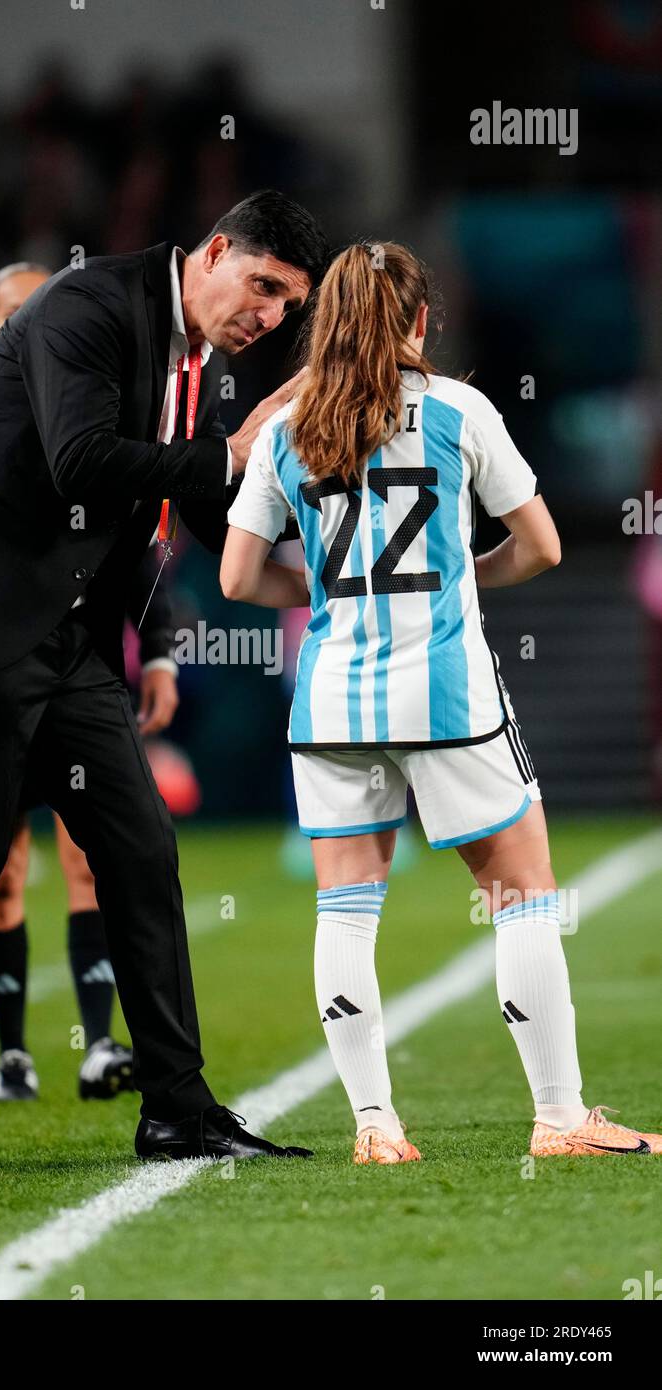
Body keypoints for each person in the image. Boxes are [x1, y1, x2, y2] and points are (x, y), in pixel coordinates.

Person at [0, 190, 330, 1177]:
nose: (268, 317)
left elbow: (183, 501)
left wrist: (317, 549)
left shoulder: (188, 355)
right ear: (216, 251)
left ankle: (177, 1109)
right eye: (264, 288)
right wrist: (226, 453)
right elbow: (79, 462)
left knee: (140, 848)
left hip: (59, 637)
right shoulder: (87, 307)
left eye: (286, 307)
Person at [220, 239, 662, 1165]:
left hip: (334, 702)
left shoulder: (286, 424)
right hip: (448, 694)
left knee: (344, 909)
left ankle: (376, 1128)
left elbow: (235, 578)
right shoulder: (459, 409)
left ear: (324, 321)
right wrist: (458, 577)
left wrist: (339, 598)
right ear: (421, 320)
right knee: (523, 895)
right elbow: (540, 547)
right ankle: (560, 1116)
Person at [0, 262, 183, 1105]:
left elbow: (141, 538)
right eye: (23, 316)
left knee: (96, 851)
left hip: (72, 667)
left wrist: (161, 647)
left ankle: (102, 1043)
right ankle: (10, 1054)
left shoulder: (100, 410)